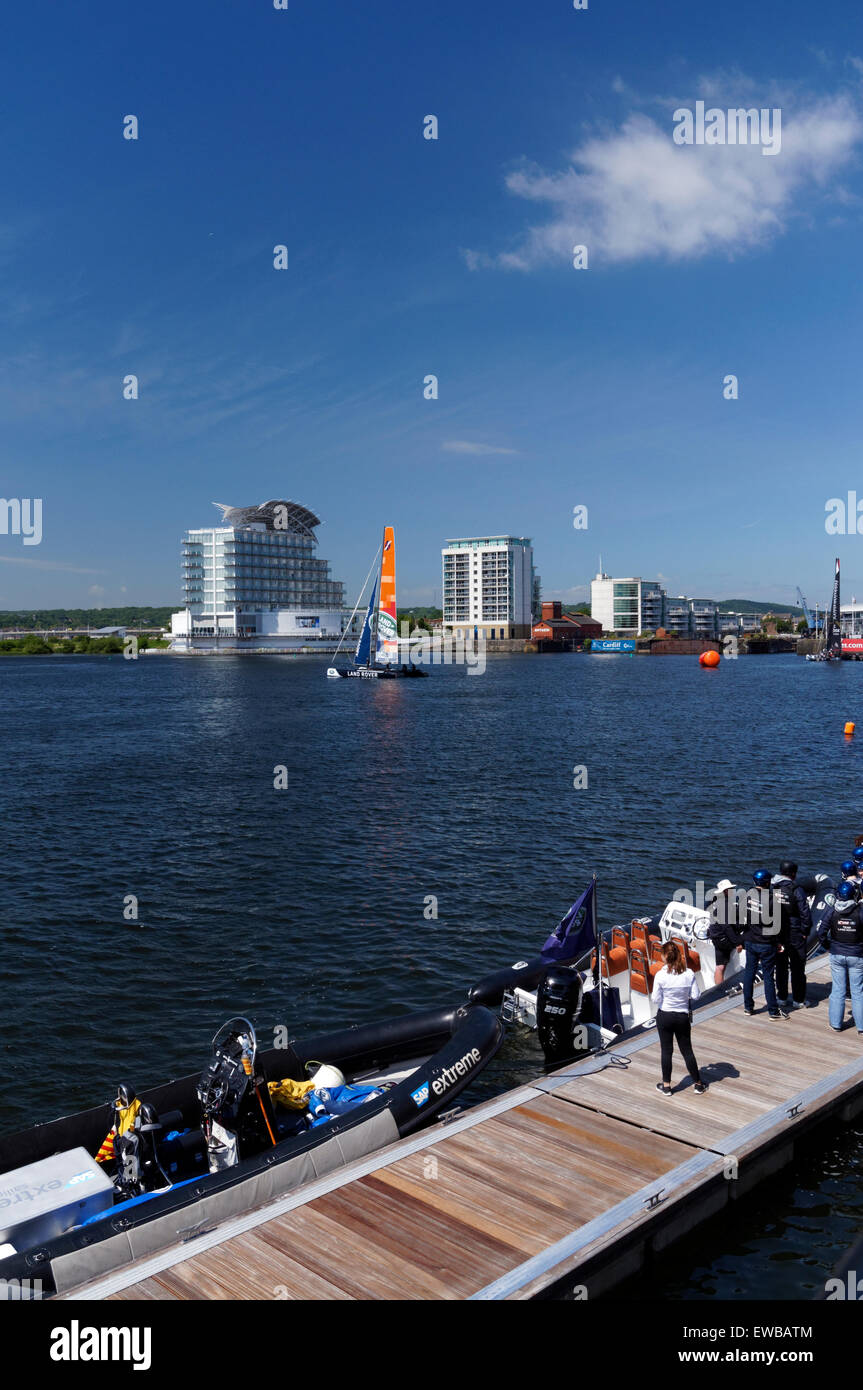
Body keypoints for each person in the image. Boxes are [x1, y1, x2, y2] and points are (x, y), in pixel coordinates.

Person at [652, 939, 705, 1094]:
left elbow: (655, 999)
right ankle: (698, 1084)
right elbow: (695, 995)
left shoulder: (660, 975)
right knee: (687, 1050)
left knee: (666, 1051)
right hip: (682, 1016)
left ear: (664, 957)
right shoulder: (688, 974)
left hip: (665, 1016)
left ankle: (667, 1086)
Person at [817, 880, 863, 1034]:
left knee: (838, 990)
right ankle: (861, 1026)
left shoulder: (832, 911)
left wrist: (829, 946)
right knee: (857, 992)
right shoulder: (860, 911)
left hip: (837, 953)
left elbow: (820, 932)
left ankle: (836, 1024)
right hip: (856, 955)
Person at [740, 868, 786, 1019]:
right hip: (766, 942)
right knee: (768, 977)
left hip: (750, 940)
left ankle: (748, 1007)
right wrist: (778, 942)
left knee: (749, 974)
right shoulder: (773, 900)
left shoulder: (746, 896)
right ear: (767, 882)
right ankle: (773, 1011)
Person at [773, 860, 813, 1009]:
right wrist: (805, 931)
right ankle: (798, 1000)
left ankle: (781, 997)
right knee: (797, 967)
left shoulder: (773, 887)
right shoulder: (796, 889)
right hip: (795, 932)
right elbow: (805, 912)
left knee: (781, 966)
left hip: (777, 932)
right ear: (794, 874)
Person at [706, 878, 745, 985]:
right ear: (726, 891)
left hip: (715, 936)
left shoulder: (715, 901)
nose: (733, 890)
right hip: (723, 939)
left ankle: (718, 989)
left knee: (720, 966)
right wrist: (738, 943)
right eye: (731, 889)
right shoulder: (725, 904)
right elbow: (727, 927)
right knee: (749, 936)